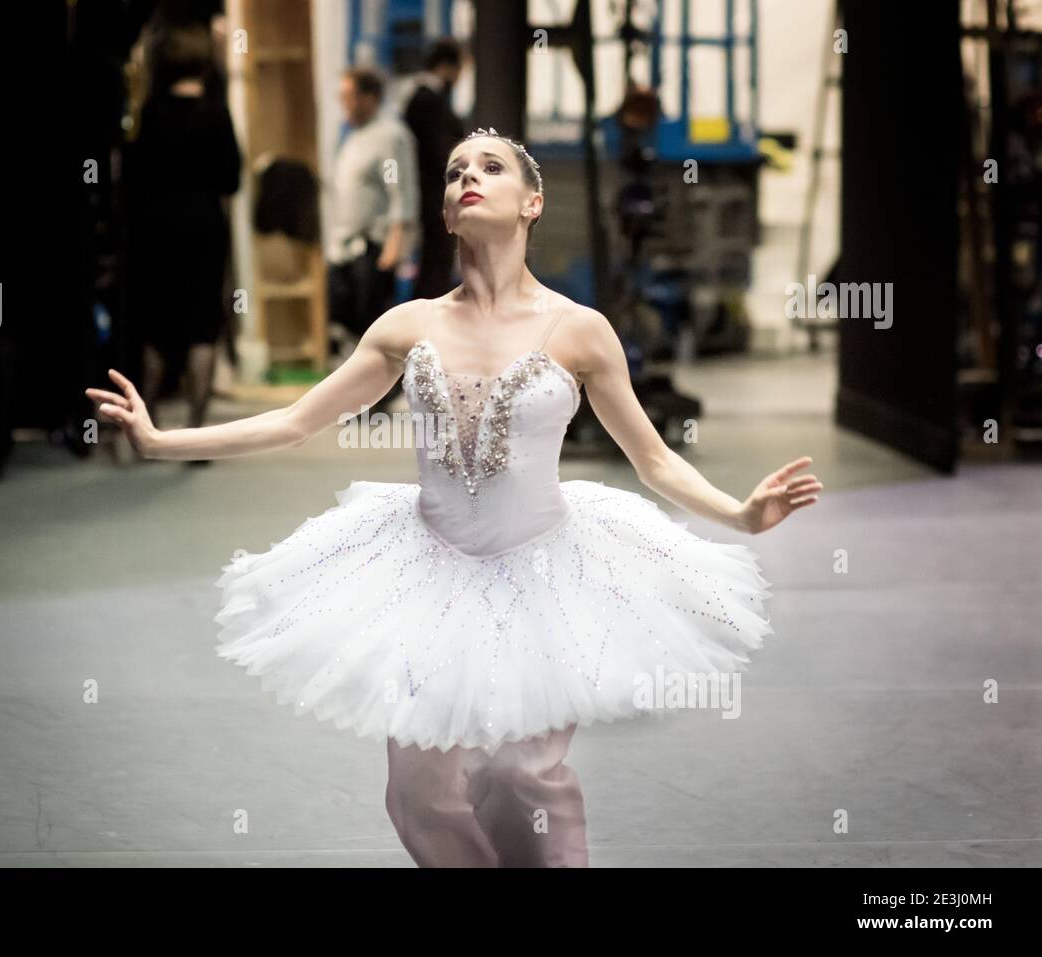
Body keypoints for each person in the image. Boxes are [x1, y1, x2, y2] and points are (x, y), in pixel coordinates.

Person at [88, 128, 823, 867]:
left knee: (517, 773)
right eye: (454, 172)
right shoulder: (407, 327)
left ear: (532, 202)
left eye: (491, 167)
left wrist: (741, 514)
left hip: (545, 578)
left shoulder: (580, 331)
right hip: (425, 576)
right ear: (445, 214)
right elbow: (294, 419)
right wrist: (160, 441)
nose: (467, 176)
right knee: (416, 793)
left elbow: (655, 458)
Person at [123, 15, 240, 460]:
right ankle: (194, 432)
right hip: (205, 227)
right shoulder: (216, 113)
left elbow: (131, 182)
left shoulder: (151, 114)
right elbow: (232, 180)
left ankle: (146, 428)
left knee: (155, 325)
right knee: (202, 328)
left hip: (157, 229)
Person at [326, 67, 419, 356]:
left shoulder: (390, 135)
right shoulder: (352, 136)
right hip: (343, 244)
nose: (344, 103)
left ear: (370, 97)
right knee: (341, 318)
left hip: (374, 246)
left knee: (372, 323)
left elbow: (401, 191)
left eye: (350, 96)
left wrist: (396, 242)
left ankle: (381, 394)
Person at [403, 38, 466, 299]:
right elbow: (438, 150)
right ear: (447, 66)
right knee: (437, 258)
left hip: (429, 192)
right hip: (433, 194)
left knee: (435, 258)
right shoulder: (429, 100)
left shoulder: (421, 97)